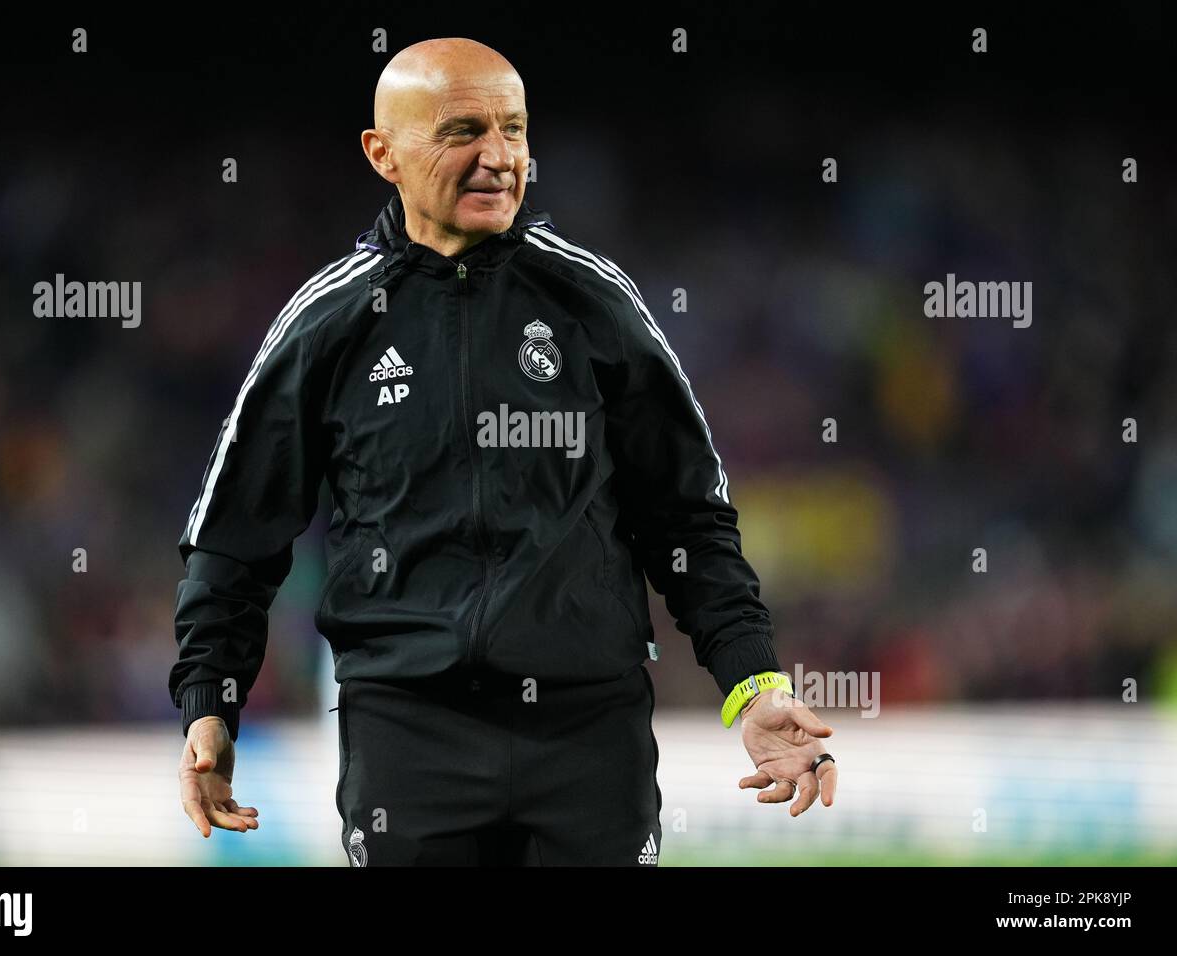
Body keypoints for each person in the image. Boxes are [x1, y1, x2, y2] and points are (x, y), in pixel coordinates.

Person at [170, 36, 837, 866]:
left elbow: (688, 520)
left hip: (590, 735)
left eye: (514, 130)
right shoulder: (326, 326)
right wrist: (211, 703)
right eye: (462, 132)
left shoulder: (593, 303)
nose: (499, 158)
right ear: (384, 154)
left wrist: (753, 683)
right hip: (407, 737)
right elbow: (235, 540)